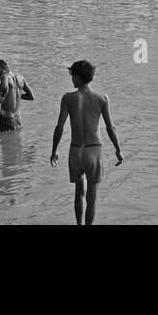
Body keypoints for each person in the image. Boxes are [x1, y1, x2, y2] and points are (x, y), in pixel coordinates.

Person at [50, 60, 123, 226]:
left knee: (78, 192)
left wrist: (54, 150)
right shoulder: (102, 99)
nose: (71, 79)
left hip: (76, 151)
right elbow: (110, 127)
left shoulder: (68, 98)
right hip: (93, 151)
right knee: (92, 197)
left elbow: (59, 127)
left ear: (78, 77)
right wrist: (118, 150)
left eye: (72, 76)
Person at [0, 58, 32, 133]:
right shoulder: (21, 79)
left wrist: (2, 96)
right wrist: (18, 95)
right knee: (17, 143)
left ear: (3, 68)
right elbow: (31, 96)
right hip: (18, 120)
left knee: (5, 143)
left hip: (7, 121)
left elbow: (4, 87)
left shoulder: (6, 77)